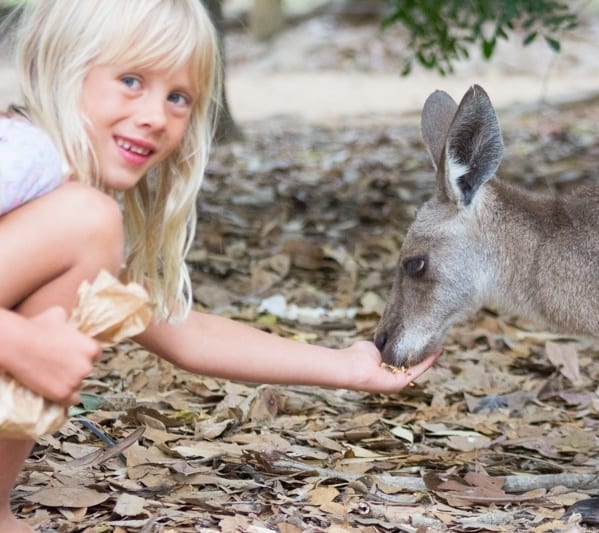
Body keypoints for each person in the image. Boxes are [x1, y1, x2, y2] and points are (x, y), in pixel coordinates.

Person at [0, 1, 440, 530]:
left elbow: (181, 334)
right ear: (56, 64)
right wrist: (18, 343)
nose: (156, 116)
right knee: (87, 220)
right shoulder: (24, 154)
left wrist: (346, 367)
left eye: (178, 96)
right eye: (131, 80)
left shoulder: (52, 191)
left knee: (90, 229)